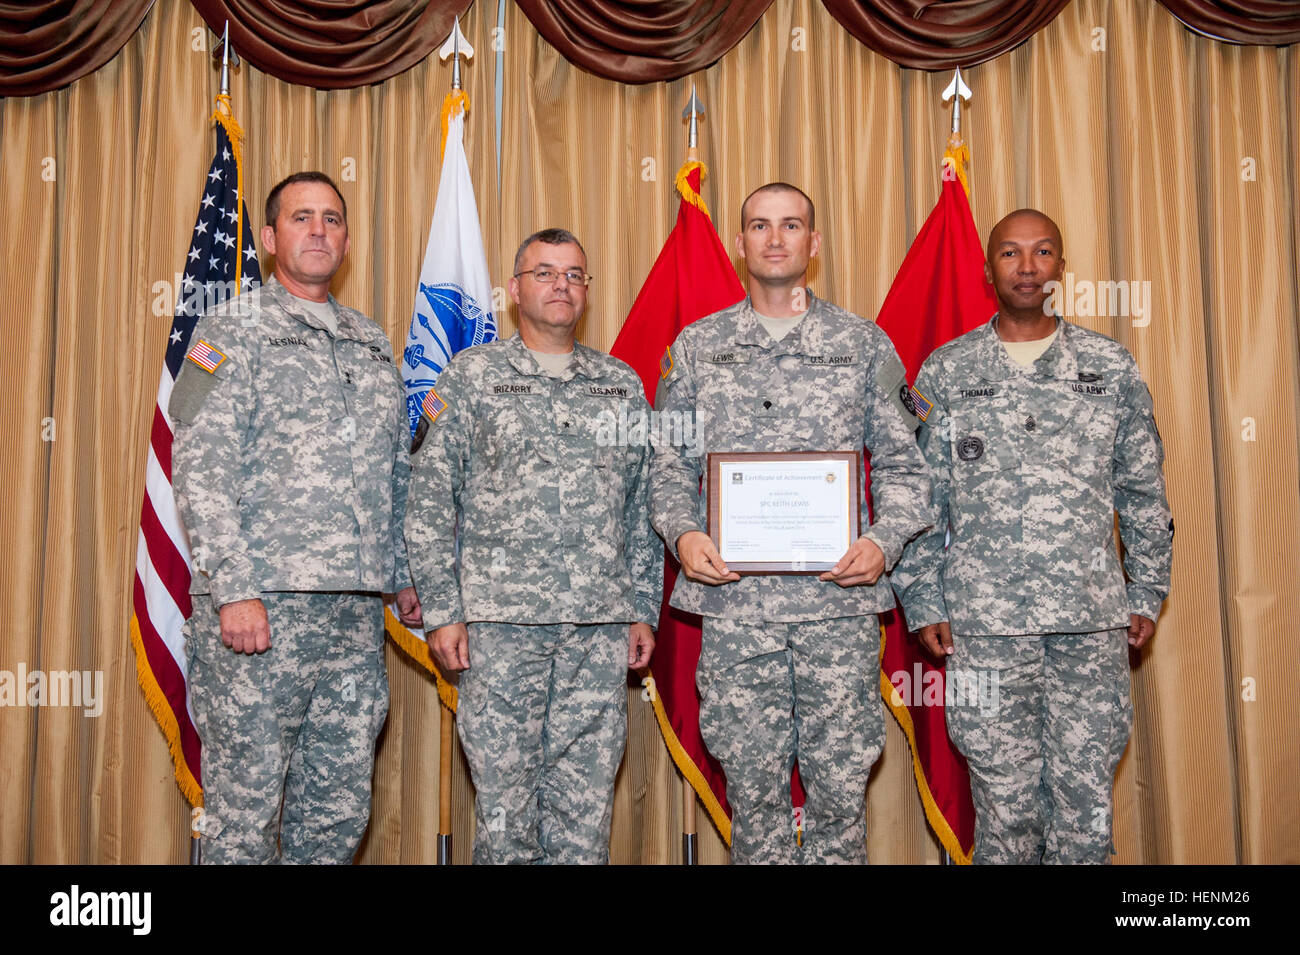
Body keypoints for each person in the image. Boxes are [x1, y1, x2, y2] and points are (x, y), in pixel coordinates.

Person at [649, 183, 932, 864]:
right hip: (738, 611)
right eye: (759, 226)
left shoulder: (863, 345)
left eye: (791, 225)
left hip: (838, 608)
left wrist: (882, 540)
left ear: (815, 243)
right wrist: (684, 534)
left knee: (840, 793)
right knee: (753, 795)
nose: (775, 239)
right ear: (740, 243)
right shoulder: (697, 346)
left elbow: (906, 466)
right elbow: (664, 464)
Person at [892, 208, 1174, 864]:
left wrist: (1147, 590)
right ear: (989, 269)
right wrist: (925, 600)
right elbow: (919, 501)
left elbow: (1143, 493)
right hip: (984, 628)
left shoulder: (1109, 367)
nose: (1027, 266)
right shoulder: (948, 371)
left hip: (1089, 625)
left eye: (1042, 252)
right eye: (1011, 254)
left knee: (1084, 812)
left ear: (1060, 267)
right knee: (1005, 811)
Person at [170, 171, 422, 864]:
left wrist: (404, 576)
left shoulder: (370, 343)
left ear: (346, 237)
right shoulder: (231, 331)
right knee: (243, 819)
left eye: (332, 218)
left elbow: (392, 472)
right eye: (302, 217)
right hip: (261, 610)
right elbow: (200, 467)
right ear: (272, 237)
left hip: (352, 615)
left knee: (336, 817)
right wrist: (235, 588)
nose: (319, 230)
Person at [405, 228, 663, 865]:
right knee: (505, 813)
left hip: (597, 630)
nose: (561, 286)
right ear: (515, 290)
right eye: (544, 273)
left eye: (574, 274)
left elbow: (642, 505)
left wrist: (642, 608)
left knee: (585, 816)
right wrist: (443, 610)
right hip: (499, 630)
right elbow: (431, 498)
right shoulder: (472, 377)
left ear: (586, 292)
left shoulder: (620, 384)